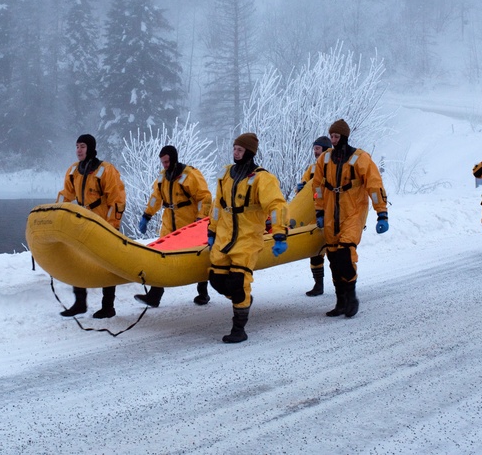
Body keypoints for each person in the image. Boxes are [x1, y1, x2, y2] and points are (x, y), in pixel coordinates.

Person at [207, 132, 289, 343]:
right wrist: (212, 230)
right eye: (234, 149)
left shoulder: (262, 178)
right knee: (216, 279)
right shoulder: (226, 175)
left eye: (240, 150)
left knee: (239, 281)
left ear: (249, 153)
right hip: (224, 238)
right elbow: (217, 206)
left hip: (247, 238)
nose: (235, 153)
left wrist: (280, 233)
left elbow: (276, 205)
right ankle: (243, 299)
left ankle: (238, 329)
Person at [311, 119, 388, 319]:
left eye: (336, 136)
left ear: (344, 136)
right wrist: (319, 211)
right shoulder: (325, 159)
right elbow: (317, 186)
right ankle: (340, 301)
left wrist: (381, 213)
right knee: (333, 257)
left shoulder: (360, 158)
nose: (333, 140)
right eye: (331, 136)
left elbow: (374, 185)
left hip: (353, 211)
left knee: (345, 252)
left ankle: (351, 296)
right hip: (331, 213)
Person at [56, 133, 126, 318]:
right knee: (77, 260)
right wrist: (55, 212)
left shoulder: (106, 170)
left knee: (107, 264)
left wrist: (112, 226)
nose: (79, 150)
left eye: (82, 146)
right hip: (83, 222)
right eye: (77, 146)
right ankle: (80, 303)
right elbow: (66, 195)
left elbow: (117, 200)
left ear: (91, 148)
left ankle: (108, 307)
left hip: (103, 224)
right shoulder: (73, 171)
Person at [135, 145, 214, 307]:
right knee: (161, 257)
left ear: (174, 159)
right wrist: (147, 215)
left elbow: (204, 198)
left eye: (166, 162)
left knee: (197, 257)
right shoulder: (162, 178)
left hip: (189, 224)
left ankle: (203, 293)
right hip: (168, 225)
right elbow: (155, 198)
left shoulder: (190, 175)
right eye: (162, 162)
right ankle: (154, 296)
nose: (164, 165)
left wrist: (200, 220)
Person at [296, 136, 333, 296]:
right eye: (314, 149)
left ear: (325, 149)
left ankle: (342, 285)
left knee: (334, 253)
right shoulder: (311, 169)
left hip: (331, 214)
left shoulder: (334, 167)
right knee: (316, 253)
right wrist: (301, 188)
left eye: (317, 149)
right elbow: (303, 192)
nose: (315, 152)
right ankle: (318, 285)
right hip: (314, 217)